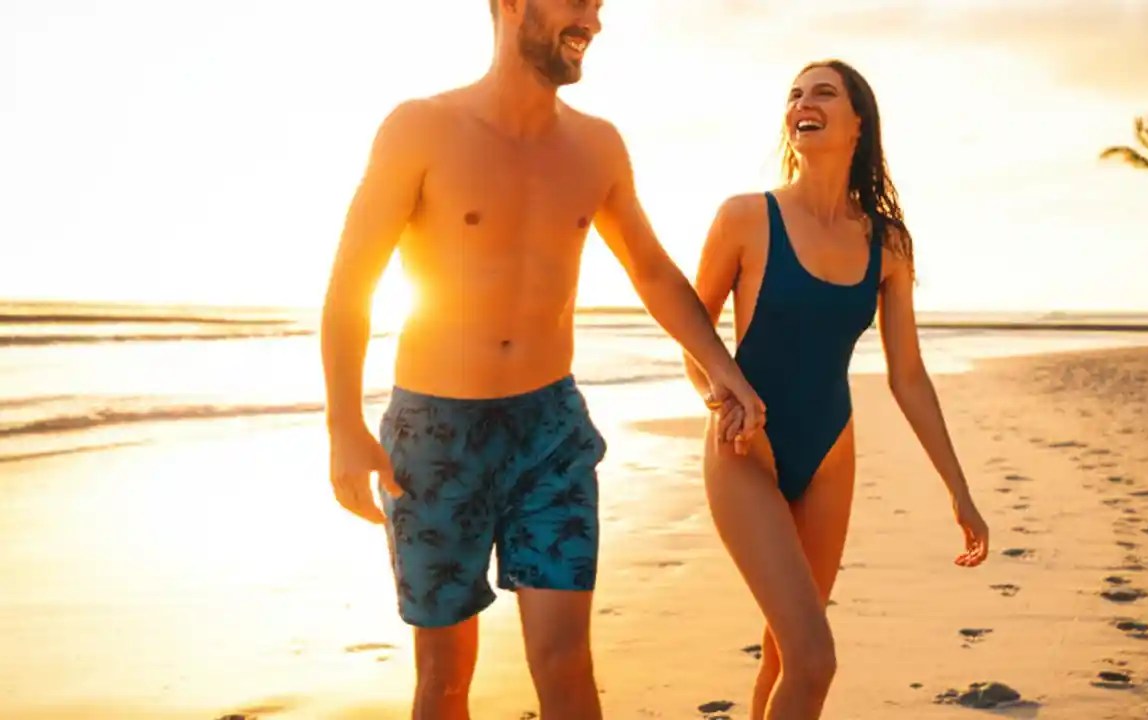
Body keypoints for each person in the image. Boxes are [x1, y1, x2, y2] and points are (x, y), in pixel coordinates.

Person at [319, 1, 765, 718]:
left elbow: (650, 270)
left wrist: (723, 367)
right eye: (578, 0)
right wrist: (345, 424)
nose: (594, 18)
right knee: (443, 679)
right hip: (436, 437)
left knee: (565, 663)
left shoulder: (598, 146)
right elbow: (352, 282)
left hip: (550, 429)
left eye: (598, 5)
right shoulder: (421, 127)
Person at [683, 59, 991, 720]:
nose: (802, 101)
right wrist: (724, 398)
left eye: (822, 92)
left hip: (829, 454)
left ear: (857, 124)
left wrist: (958, 490)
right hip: (744, 453)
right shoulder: (745, 217)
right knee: (815, 657)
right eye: (794, 94)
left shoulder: (889, 244)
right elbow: (694, 337)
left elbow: (907, 375)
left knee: (786, 655)